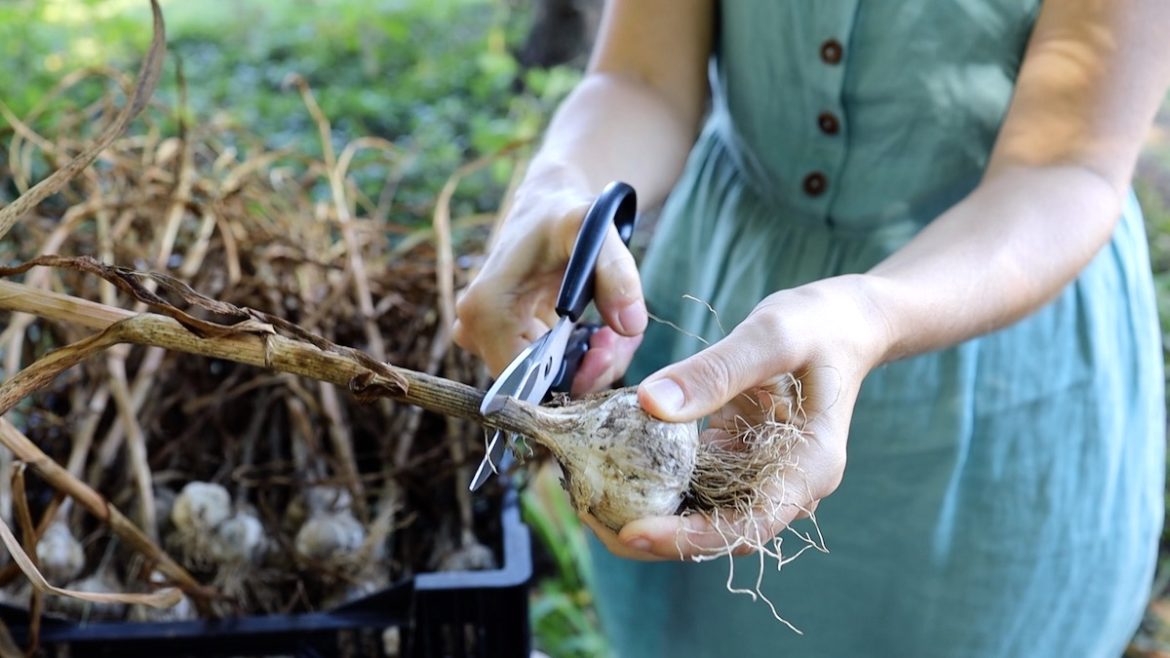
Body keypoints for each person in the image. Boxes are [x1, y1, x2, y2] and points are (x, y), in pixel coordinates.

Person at [453, 1, 1170, 656]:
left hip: (997, 347)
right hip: (727, 305)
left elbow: (1064, 166)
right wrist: (561, 186)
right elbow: (641, 79)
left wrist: (874, 311)